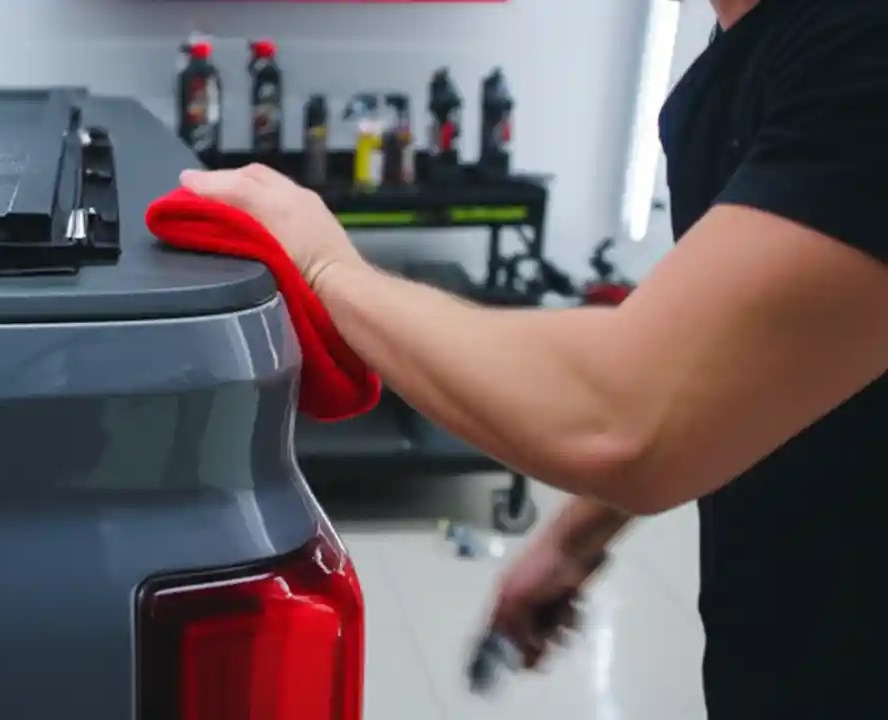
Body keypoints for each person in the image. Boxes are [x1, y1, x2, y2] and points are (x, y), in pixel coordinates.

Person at [174, 0, 887, 716]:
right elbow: (737, 363)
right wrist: (577, 538)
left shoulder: (861, 43)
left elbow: (627, 415)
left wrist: (328, 268)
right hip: (778, 637)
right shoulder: (746, 54)